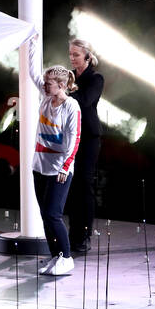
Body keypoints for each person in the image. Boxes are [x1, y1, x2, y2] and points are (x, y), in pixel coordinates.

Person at [8, 37, 81, 276]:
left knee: (53, 214)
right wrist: (32, 43)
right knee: (45, 216)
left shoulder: (71, 107)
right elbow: (32, 72)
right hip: (40, 165)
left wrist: (65, 167)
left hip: (59, 169)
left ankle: (66, 257)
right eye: (46, 84)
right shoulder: (47, 98)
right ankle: (55, 256)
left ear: (61, 85)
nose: (45, 87)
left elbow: (74, 139)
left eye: (49, 84)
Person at [66, 39, 104, 254]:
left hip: (88, 137)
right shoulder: (68, 77)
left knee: (84, 184)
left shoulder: (96, 78)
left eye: (76, 54)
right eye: (71, 54)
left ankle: (84, 234)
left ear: (88, 57)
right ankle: (73, 234)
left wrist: (64, 93)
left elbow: (85, 100)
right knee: (71, 184)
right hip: (70, 135)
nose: (72, 58)